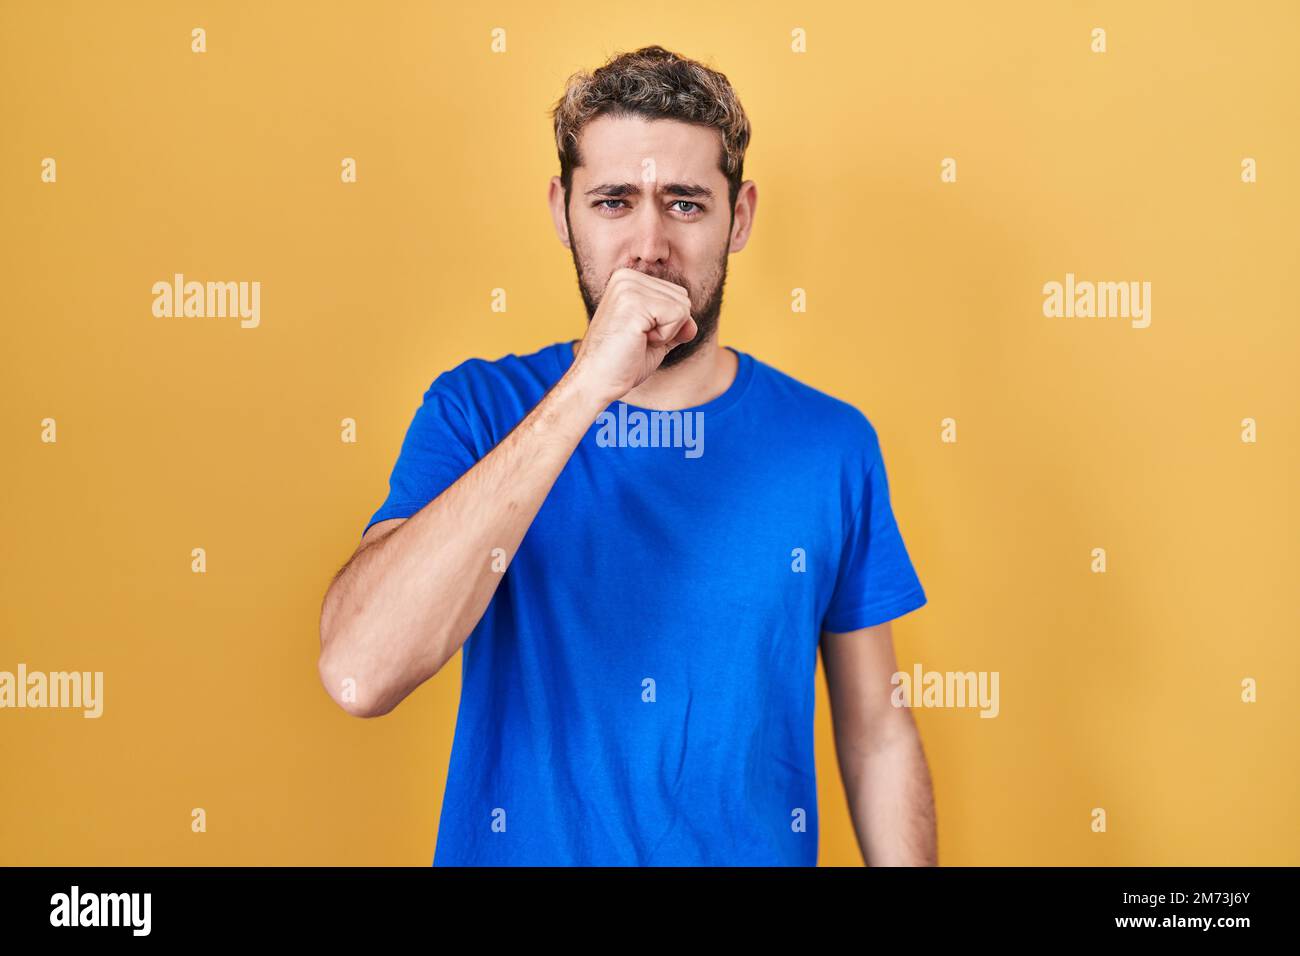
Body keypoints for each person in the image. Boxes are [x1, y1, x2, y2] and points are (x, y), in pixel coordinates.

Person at [318, 45, 936, 866]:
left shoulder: (830, 444)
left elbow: (877, 730)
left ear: (739, 217)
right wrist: (586, 391)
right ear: (561, 211)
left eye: (684, 204)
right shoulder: (475, 411)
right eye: (613, 201)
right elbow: (359, 674)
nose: (647, 246)